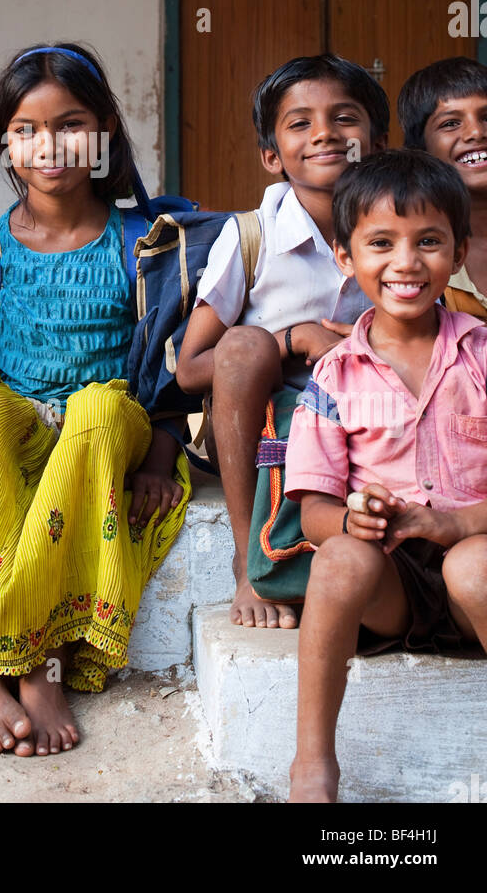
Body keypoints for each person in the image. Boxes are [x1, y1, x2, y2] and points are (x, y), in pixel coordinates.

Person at [0, 42, 190, 758]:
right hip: (20, 420)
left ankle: (42, 670)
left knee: (98, 409)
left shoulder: (145, 243)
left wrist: (161, 463)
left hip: (110, 428)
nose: (49, 145)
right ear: (5, 141)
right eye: (26, 128)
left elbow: (167, 379)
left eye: (71, 123)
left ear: (107, 128)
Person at [286, 149, 487, 803]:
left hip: (475, 573)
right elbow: (313, 510)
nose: (406, 262)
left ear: (459, 251)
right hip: (391, 586)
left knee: (473, 566)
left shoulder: (482, 354)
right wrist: (352, 517)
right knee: (339, 559)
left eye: (428, 241)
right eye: (381, 243)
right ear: (344, 256)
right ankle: (313, 765)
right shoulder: (333, 375)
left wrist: (457, 522)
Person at [176, 54, 389, 628]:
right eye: (300, 123)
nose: (325, 133)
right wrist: (292, 338)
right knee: (245, 346)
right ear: (272, 156)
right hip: (264, 423)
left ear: (377, 141)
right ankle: (251, 567)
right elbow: (191, 367)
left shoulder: (397, 231)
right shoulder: (252, 235)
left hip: (364, 416)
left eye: (345, 118)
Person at [398, 56, 487, 320]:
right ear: (420, 150)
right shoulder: (409, 249)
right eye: (450, 123)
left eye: (486, 117)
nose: (476, 133)